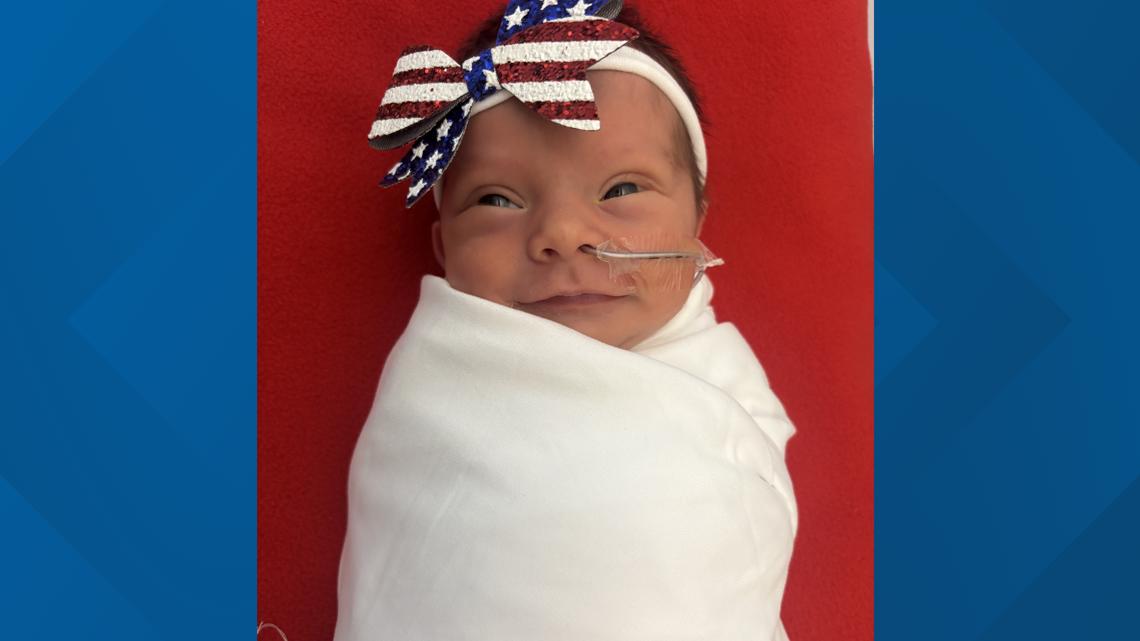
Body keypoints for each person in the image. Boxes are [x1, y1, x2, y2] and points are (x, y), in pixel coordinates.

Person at [335, 2, 798, 639]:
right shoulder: (435, 391)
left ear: (696, 220)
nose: (561, 233)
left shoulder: (723, 379)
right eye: (497, 200)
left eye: (621, 190)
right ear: (445, 250)